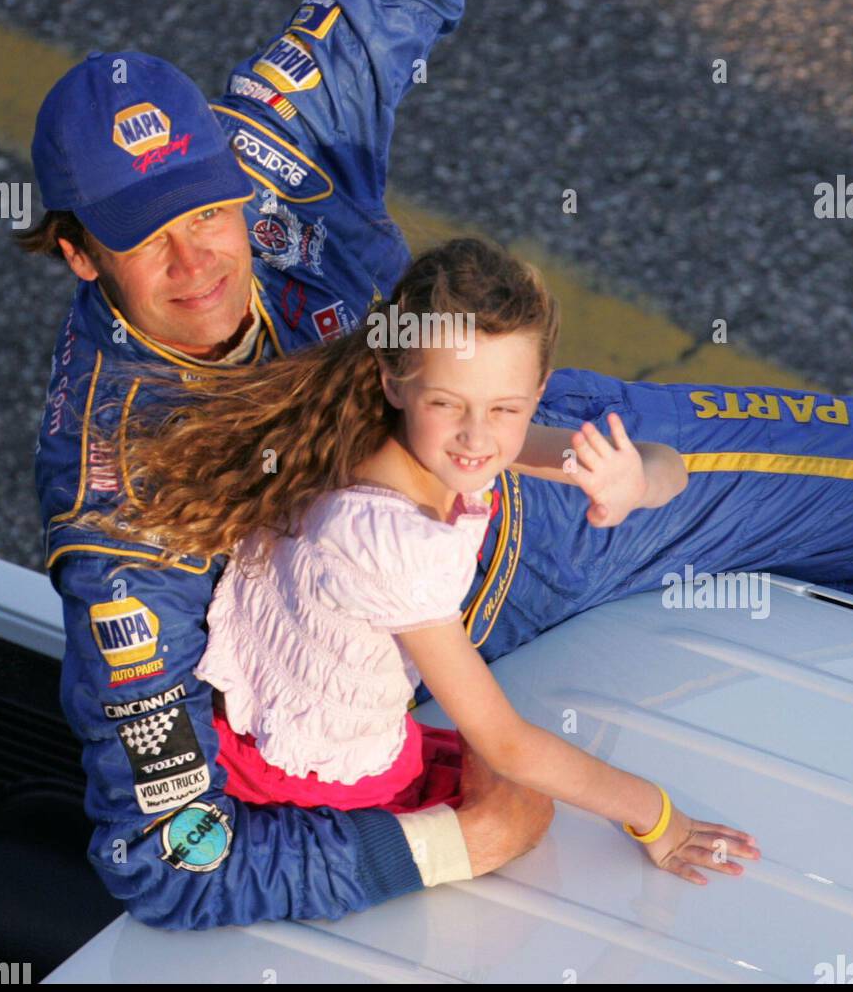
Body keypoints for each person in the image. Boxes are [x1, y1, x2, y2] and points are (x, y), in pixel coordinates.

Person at [24, 0, 853, 930]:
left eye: (207, 208)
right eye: (146, 237)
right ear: (80, 255)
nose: (197, 256)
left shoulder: (270, 161)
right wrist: (463, 841)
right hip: (416, 653)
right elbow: (166, 855)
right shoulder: (116, 501)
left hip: (533, 480)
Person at [85, 237, 759, 887]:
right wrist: (656, 817)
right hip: (313, 774)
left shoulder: (391, 422)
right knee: (525, 810)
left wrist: (633, 482)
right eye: (449, 404)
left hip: (304, 721)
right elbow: (506, 743)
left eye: (507, 408)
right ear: (398, 380)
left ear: (537, 389)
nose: (478, 438)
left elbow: (668, 466)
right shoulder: (389, 542)